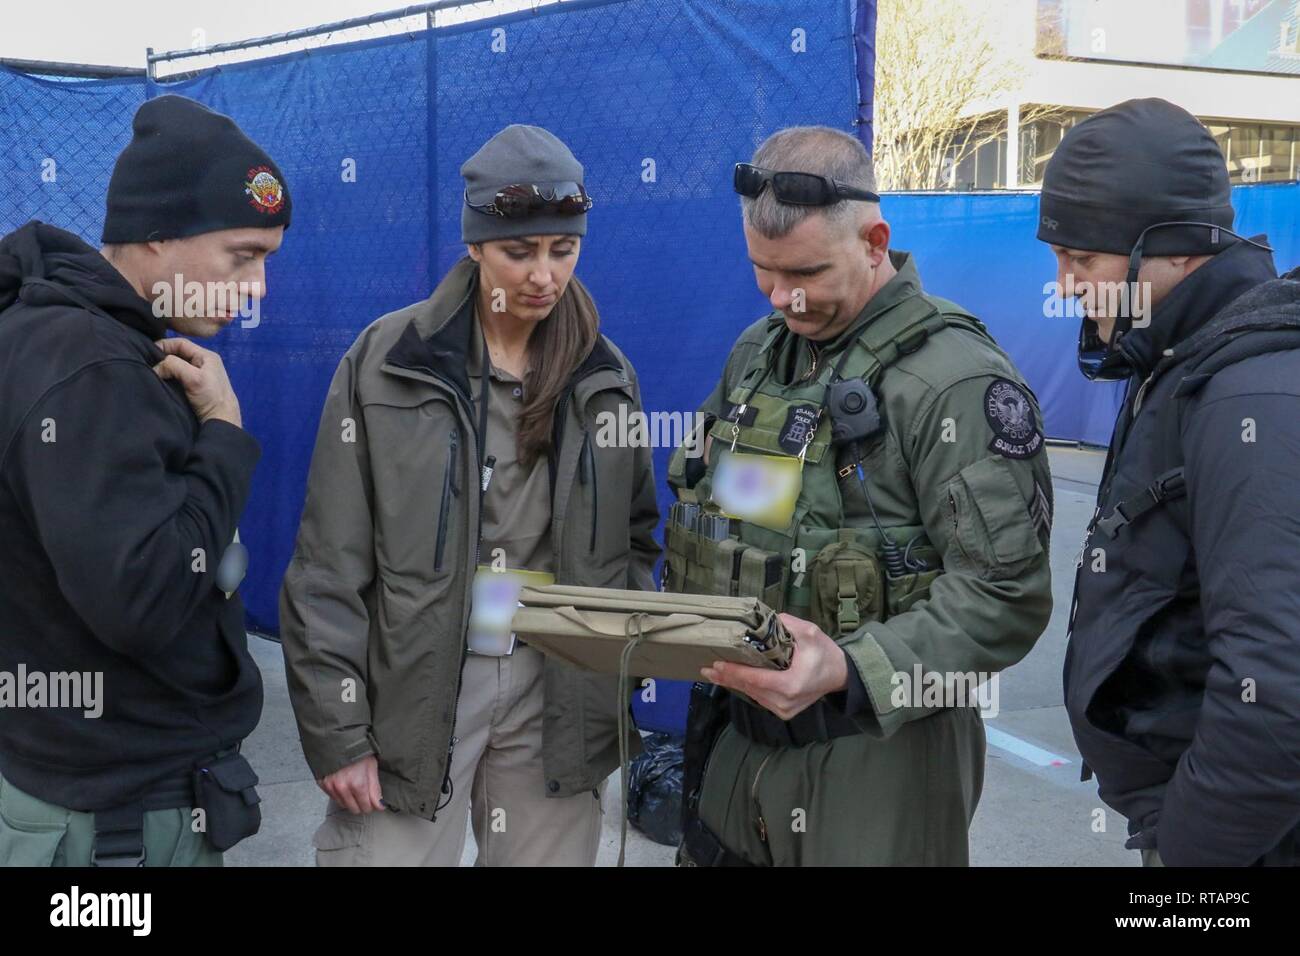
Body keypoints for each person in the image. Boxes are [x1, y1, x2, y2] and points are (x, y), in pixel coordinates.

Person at [666, 126, 1053, 866]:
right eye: (762, 272)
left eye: (805, 273)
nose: (785, 298)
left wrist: (847, 670)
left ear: (875, 241)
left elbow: (1005, 596)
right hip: (738, 743)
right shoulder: (758, 354)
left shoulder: (954, 382)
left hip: (878, 758)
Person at [281, 124, 660, 866]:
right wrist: (338, 727)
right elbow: (328, 565)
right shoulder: (388, 363)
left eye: (564, 249)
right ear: (477, 246)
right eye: (519, 251)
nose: (543, 275)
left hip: (552, 686)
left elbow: (635, 538)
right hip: (413, 686)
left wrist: (605, 673)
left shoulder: (606, 377)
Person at [0, 95, 289, 866]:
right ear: (157, 234)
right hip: (115, 823)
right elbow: (146, 597)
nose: (258, 286)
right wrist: (224, 437)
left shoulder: (65, 336)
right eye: (242, 254)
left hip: (89, 785)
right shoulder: (89, 365)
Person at [1038, 98, 1300, 866]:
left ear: (1177, 250)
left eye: (1082, 260)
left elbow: (1277, 692)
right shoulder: (1185, 355)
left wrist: (1186, 859)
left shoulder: (1249, 391)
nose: (1065, 286)